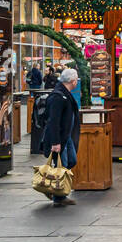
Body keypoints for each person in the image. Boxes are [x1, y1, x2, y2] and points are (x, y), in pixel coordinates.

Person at [41, 67, 81, 207]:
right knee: (61, 166)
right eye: (76, 80)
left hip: (66, 136)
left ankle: (55, 190)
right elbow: (53, 121)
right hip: (59, 138)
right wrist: (55, 142)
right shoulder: (58, 96)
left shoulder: (65, 93)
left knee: (71, 160)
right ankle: (58, 196)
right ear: (72, 81)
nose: (76, 82)